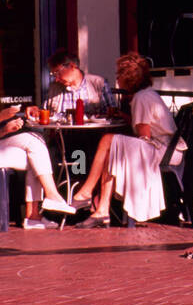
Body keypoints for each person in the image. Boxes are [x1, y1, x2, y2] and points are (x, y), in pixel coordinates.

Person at [0, 50, 76, 229]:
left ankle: (38, 212)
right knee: (34, 147)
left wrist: (4, 130)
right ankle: (46, 202)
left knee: (34, 147)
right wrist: (0, 118)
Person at [70, 53, 185, 226]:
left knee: (107, 140)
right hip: (168, 147)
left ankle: (86, 191)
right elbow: (143, 127)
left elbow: (144, 136)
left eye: (119, 75)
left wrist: (122, 143)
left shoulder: (141, 98)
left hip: (162, 150)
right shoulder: (147, 94)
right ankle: (102, 210)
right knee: (111, 151)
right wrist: (122, 117)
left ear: (128, 78)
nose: (117, 78)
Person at [44, 50, 115, 118]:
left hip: (93, 130)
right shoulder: (54, 88)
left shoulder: (98, 83)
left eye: (58, 73)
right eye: (54, 74)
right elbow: (44, 113)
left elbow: (113, 115)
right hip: (64, 130)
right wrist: (36, 111)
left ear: (72, 66)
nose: (56, 79)